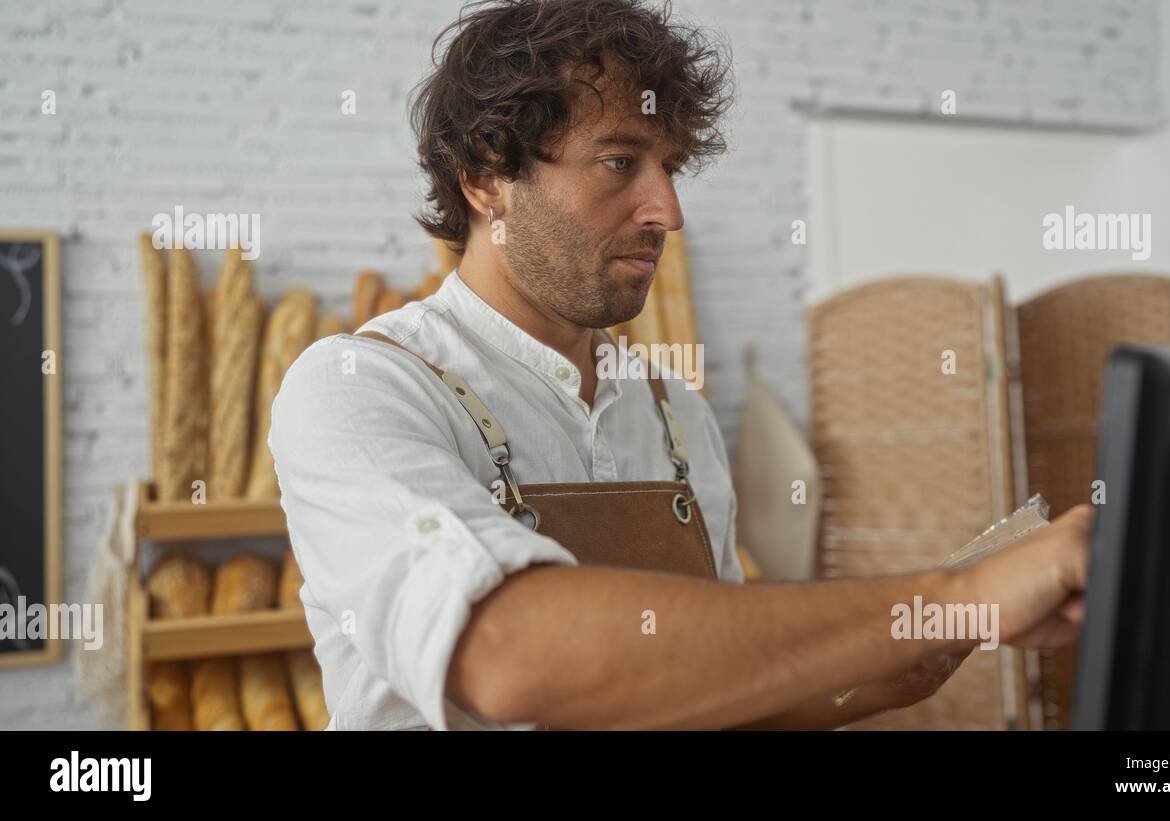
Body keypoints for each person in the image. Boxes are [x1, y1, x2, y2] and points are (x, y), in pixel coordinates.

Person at [268, 0, 1091, 730]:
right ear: (486, 176)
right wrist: (945, 600)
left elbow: (732, 689)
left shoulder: (673, 412)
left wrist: (915, 647)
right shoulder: (362, 390)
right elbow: (509, 652)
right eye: (620, 162)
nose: (668, 211)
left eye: (671, 168)